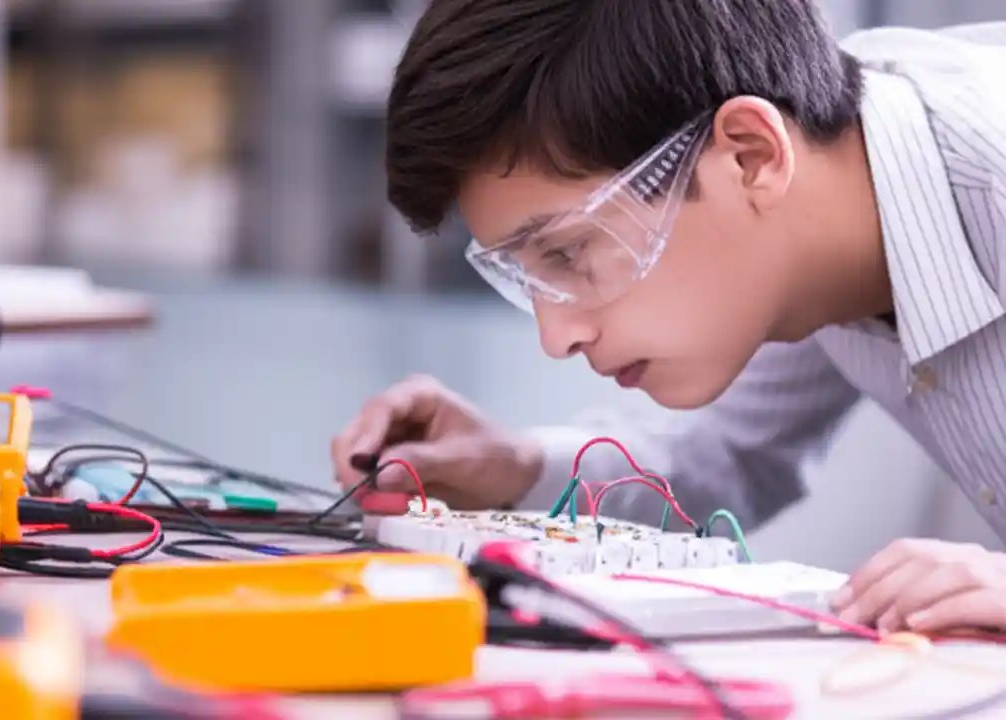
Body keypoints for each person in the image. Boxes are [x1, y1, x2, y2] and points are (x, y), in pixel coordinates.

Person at [330, 1, 1006, 635]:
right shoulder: (820, 201)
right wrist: (511, 466)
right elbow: (726, 458)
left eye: (570, 251)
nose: (556, 336)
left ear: (751, 155)